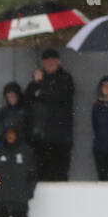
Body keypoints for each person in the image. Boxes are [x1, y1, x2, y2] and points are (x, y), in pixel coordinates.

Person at [26, 49, 75, 181]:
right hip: (40, 139)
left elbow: (58, 97)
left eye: (53, 59)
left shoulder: (65, 78)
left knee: (59, 174)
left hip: (60, 138)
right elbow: (27, 98)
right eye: (46, 60)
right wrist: (36, 82)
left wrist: (40, 91)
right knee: (40, 175)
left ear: (59, 61)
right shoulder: (38, 79)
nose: (49, 63)